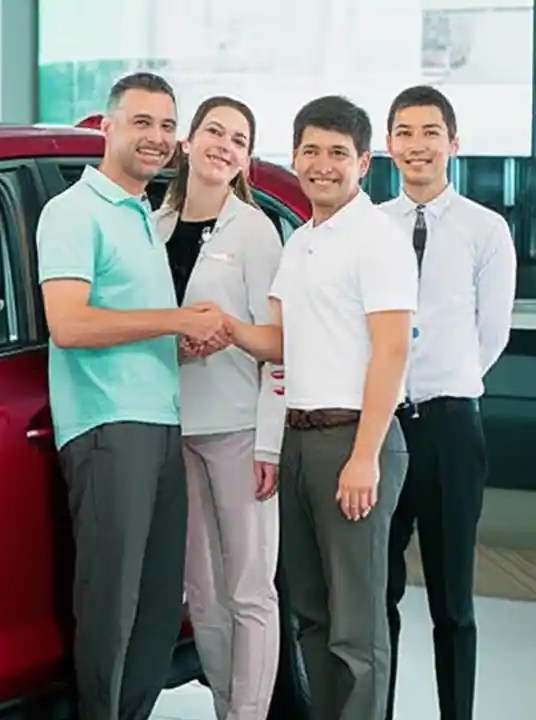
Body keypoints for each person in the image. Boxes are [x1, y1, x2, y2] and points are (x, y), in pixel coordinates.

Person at [37, 71, 229, 719]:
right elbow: (70, 323)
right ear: (108, 125)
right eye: (142, 122)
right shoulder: (71, 214)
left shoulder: (144, 217)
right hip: (107, 427)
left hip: (161, 424)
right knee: (112, 606)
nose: (157, 138)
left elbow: (125, 322)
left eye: (167, 126)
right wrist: (174, 320)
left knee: (154, 608)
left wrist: (179, 342)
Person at [226, 95, 418, 720]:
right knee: (309, 614)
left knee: (356, 631)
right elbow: (280, 343)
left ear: (364, 161)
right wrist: (222, 328)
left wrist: (366, 456)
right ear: (295, 156)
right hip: (300, 441)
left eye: (338, 153)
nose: (322, 164)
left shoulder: (377, 239)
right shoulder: (302, 240)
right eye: (311, 150)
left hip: (353, 442)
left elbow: (391, 350)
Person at [380, 85, 517, 720]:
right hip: (381, 429)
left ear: (453, 144)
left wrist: (441, 386)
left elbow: (489, 337)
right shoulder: (369, 225)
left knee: (452, 602)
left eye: (430, 132)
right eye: (405, 132)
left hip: (451, 427)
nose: (417, 145)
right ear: (388, 145)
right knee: (374, 596)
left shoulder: (485, 229)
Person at [154, 96, 286, 720]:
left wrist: (270, 442)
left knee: (250, 590)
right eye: (214, 131)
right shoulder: (155, 222)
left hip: (237, 428)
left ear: (246, 160)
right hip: (174, 426)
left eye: (238, 139)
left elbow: (280, 344)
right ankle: (228, 707)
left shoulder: (255, 231)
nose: (223, 145)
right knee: (203, 594)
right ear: (188, 140)